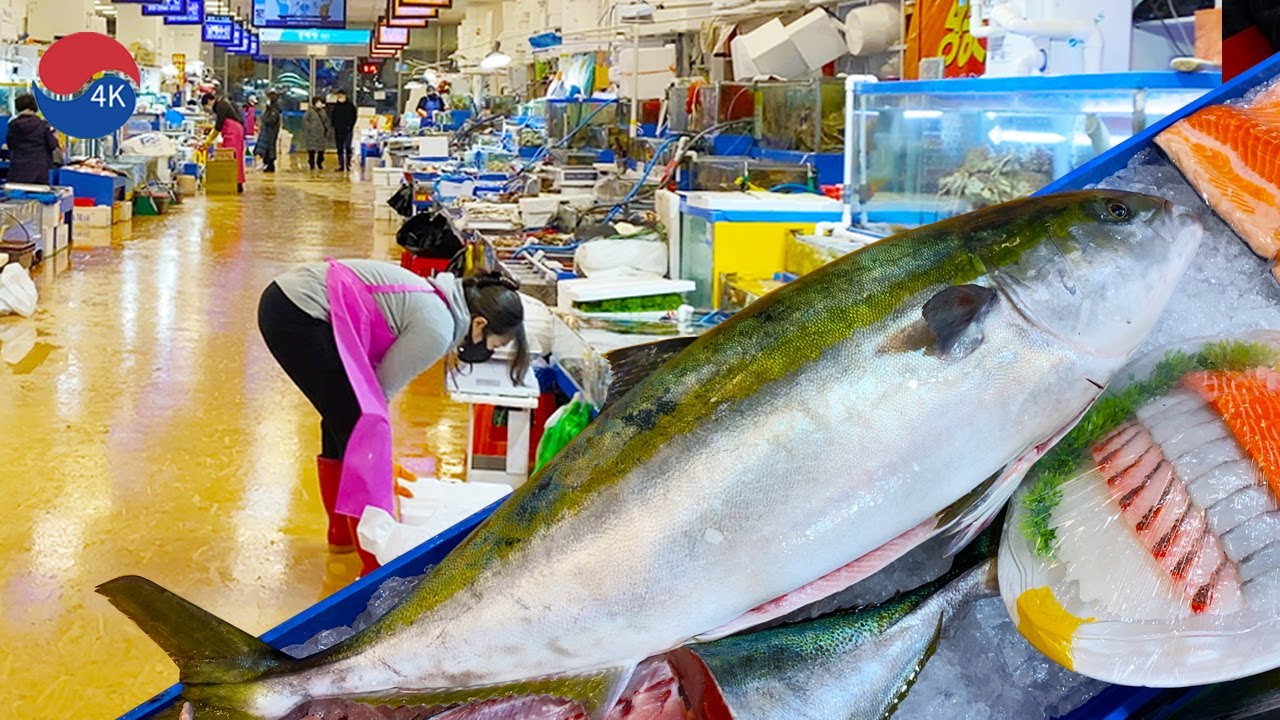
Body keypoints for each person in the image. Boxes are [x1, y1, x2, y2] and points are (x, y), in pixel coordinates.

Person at [257, 264, 529, 572]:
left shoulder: (439, 303)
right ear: (479, 324)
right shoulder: (437, 328)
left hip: (288, 302)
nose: (490, 351)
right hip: (296, 313)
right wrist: (380, 465)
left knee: (343, 418)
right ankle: (374, 562)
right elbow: (375, 398)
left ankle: (341, 534)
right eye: (496, 344)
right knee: (359, 430)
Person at [5, 93, 61, 185]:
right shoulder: (43, 125)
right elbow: (52, 145)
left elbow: (10, 145)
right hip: (39, 172)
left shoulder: (13, 125)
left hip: (17, 170)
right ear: (34, 107)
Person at [202, 93, 246, 193]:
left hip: (233, 132)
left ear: (209, 101)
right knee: (234, 156)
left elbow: (219, 126)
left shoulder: (220, 106)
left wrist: (209, 140)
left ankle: (235, 183)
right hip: (233, 131)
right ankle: (235, 183)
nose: (208, 108)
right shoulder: (221, 103)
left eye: (206, 106)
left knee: (231, 157)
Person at [329, 89, 357, 173]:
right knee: (339, 148)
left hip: (348, 130)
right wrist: (334, 126)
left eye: (340, 96)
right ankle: (341, 165)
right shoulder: (336, 106)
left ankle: (348, 165)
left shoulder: (350, 106)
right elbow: (333, 117)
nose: (339, 97)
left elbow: (354, 117)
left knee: (348, 147)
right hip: (338, 130)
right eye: (338, 96)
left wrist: (350, 126)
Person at [255, 91, 282, 173]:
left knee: (270, 148)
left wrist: (264, 119)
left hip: (271, 132)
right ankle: (266, 164)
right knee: (266, 149)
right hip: (267, 132)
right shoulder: (269, 108)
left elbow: (272, 120)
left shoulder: (274, 109)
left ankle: (270, 165)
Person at [303, 96, 331, 171]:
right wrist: (310, 128)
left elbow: (326, 121)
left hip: (321, 133)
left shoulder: (323, 112)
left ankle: (319, 162)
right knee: (311, 149)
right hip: (312, 133)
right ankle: (311, 163)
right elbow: (305, 120)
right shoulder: (310, 111)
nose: (320, 104)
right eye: (318, 102)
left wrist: (327, 129)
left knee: (321, 149)